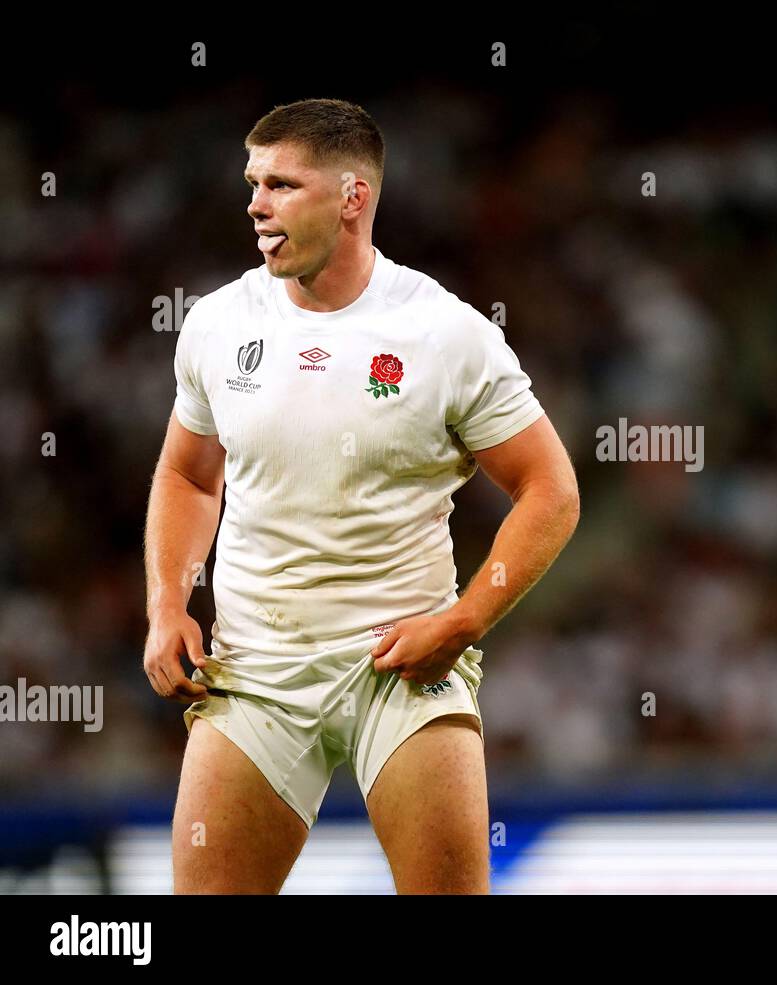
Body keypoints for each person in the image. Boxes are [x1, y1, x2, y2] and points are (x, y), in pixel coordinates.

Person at [142, 98, 580, 894]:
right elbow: (188, 475)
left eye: (281, 184)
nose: (256, 204)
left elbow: (550, 489)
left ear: (352, 197)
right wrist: (168, 603)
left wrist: (464, 619)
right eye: (253, 182)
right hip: (256, 671)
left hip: (401, 674)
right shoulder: (215, 323)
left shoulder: (445, 333)